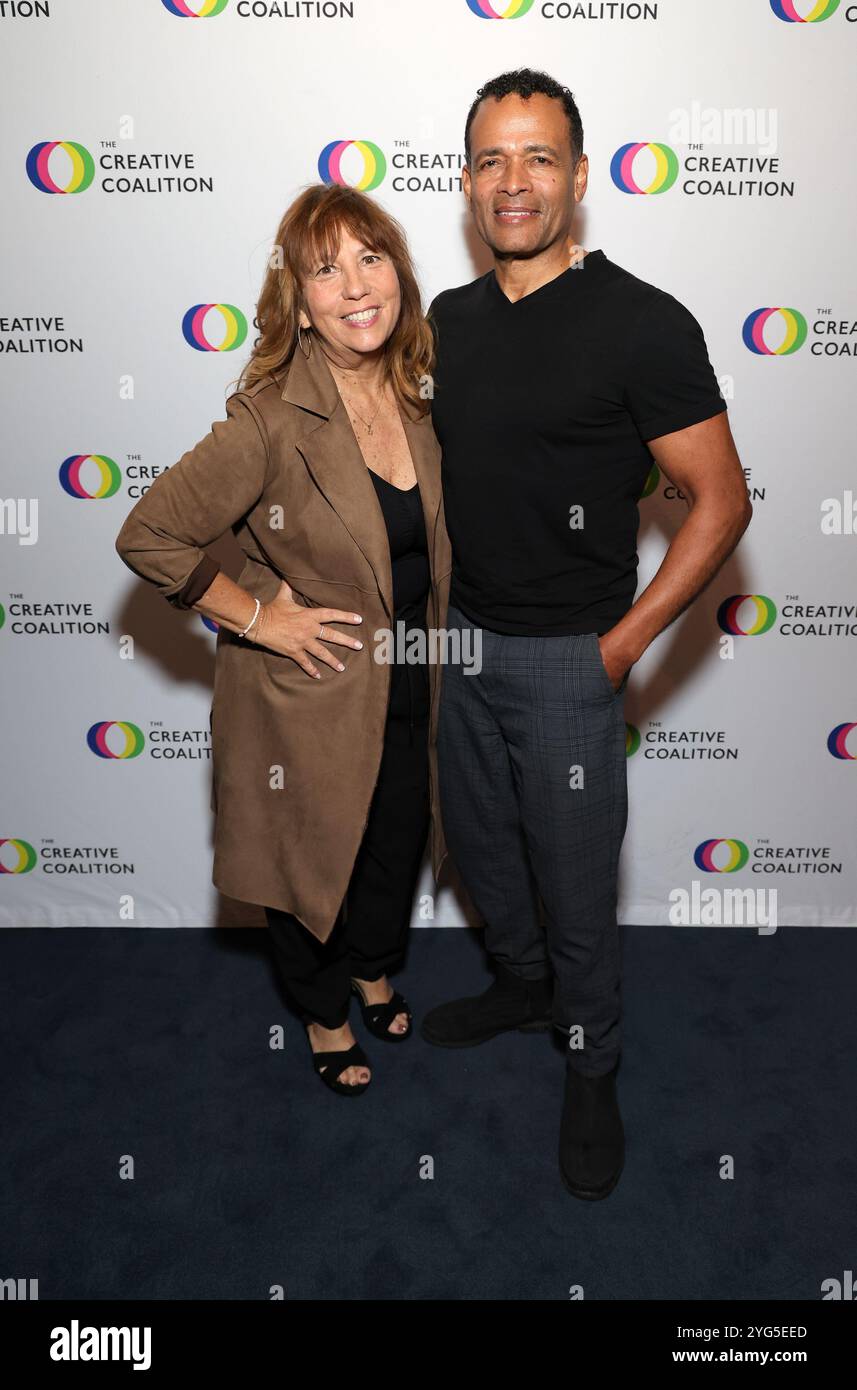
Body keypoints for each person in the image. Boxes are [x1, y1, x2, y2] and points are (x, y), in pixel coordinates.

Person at [422, 69, 753, 1198]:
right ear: (465, 179)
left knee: (575, 887)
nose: (513, 182)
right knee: (478, 852)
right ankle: (520, 987)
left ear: (578, 174)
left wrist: (621, 646)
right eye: (491, 159)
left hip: (573, 657)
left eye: (539, 157)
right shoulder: (447, 322)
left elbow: (719, 500)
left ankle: (589, 1062)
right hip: (457, 647)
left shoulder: (642, 323)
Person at [115, 184, 453, 1097]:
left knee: (393, 839)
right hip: (311, 693)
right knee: (314, 855)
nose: (354, 285)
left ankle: (375, 966)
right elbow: (149, 534)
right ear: (297, 302)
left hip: (413, 678)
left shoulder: (421, 401)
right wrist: (261, 614)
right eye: (325, 268)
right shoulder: (266, 418)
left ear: (398, 273)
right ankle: (323, 1012)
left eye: (370, 258)